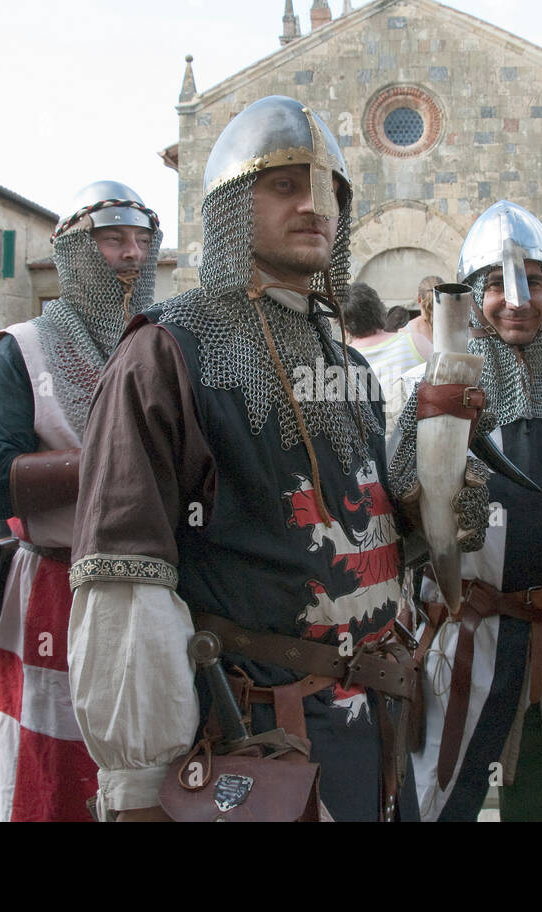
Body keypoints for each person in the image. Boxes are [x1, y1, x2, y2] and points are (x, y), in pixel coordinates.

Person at [68, 96, 435, 822]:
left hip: (372, 730)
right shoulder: (165, 356)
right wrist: (141, 790)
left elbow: (362, 534)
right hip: (257, 741)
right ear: (233, 204)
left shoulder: (344, 361)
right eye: (283, 185)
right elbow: (123, 586)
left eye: (327, 187)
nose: (312, 205)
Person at [390, 200, 542, 822]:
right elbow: (395, 520)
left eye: (535, 284)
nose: (517, 301)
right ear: (471, 297)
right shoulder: (431, 395)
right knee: (443, 801)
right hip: (469, 637)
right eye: (495, 284)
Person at [0, 180, 161, 822]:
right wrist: (110, 463)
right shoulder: (21, 350)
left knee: (153, 758)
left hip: (163, 587)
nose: (131, 253)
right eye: (112, 240)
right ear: (75, 252)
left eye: (141, 240)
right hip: (58, 586)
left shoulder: (165, 342)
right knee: (56, 776)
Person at [341, 281, 425, 436]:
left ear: (344, 325)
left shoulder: (342, 360)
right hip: (417, 444)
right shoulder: (415, 343)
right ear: (380, 310)